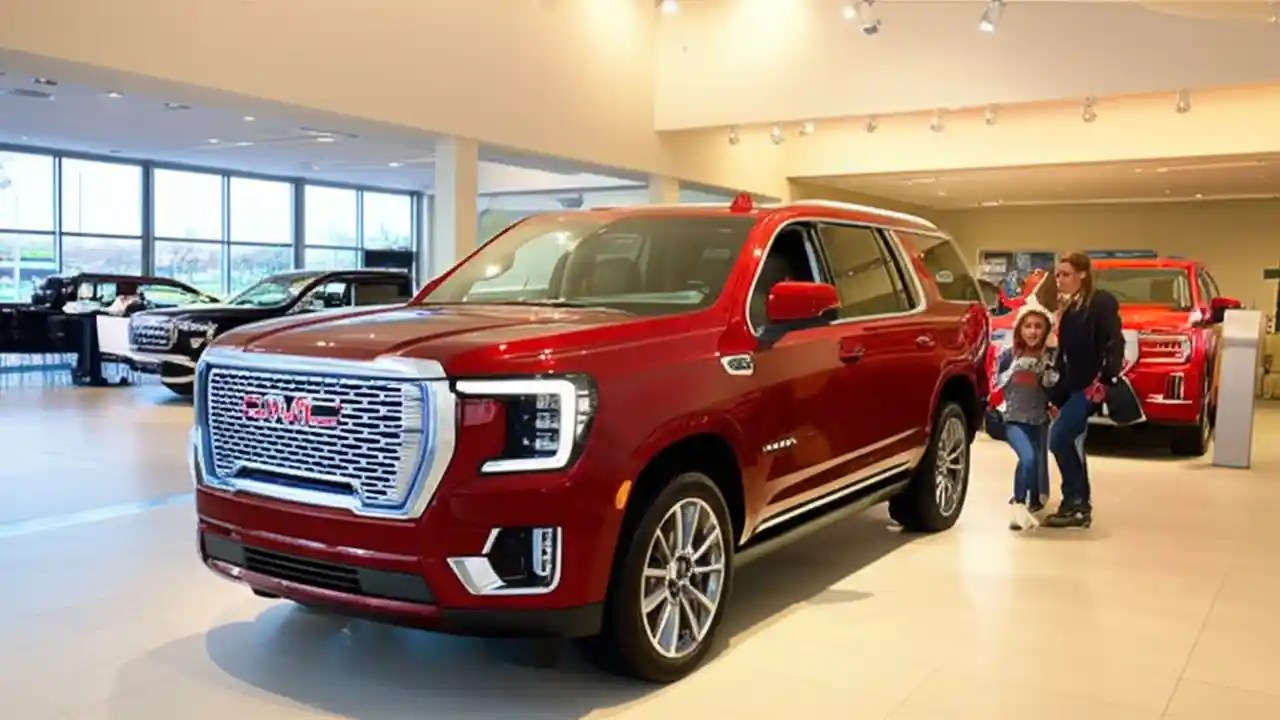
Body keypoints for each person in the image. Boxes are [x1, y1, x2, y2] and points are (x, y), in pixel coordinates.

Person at [1044, 252, 1124, 529]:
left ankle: (1077, 502)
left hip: (1091, 387)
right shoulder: (1070, 309)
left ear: (1082, 275)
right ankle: (1076, 504)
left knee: (1059, 439)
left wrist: (1105, 380)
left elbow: (1114, 343)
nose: (1060, 280)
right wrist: (1055, 395)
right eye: (1058, 275)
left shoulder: (1100, 303)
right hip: (1073, 386)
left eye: (1065, 274)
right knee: (1071, 443)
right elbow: (1065, 358)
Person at [991, 300, 1058, 531]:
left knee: (1031, 463)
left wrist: (1047, 366)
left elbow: (1055, 388)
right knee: (1028, 458)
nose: (1032, 331)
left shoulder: (1051, 358)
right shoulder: (1009, 356)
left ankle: (1028, 501)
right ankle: (1018, 503)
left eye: (1038, 326)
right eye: (1027, 326)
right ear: (1019, 329)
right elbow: (997, 386)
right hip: (1013, 421)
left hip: (1038, 421)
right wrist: (1017, 368)